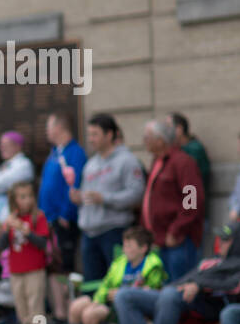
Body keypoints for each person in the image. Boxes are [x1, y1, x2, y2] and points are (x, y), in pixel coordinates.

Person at [113, 233, 240, 324]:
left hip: (202, 303)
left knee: (169, 295)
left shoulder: (237, 263)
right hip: (175, 294)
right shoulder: (209, 261)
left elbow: (232, 285)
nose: (220, 243)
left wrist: (198, 285)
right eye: (220, 239)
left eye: (226, 241)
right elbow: (184, 279)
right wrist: (159, 289)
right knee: (124, 295)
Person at [68, 226, 165, 324]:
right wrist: (98, 300)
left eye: (129, 246)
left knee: (89, 314)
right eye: (124, 245)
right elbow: (106, 284)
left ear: (143, 248)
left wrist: (120, 292)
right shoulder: (120, 263)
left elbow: (151, 290)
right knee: (76, 306)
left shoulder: (153, 265)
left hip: (128, 308)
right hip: (108, 301)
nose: (125, 249)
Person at [72, 113, 144, 283]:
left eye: (95, 134)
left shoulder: (128, 161)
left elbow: (136, 194)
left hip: (114, 231)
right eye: (89, 134)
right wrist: (78, 198)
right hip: (89, 234)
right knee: (92, 285)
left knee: (116, 283)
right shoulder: (90, 164)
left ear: (109, 134)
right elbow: (88, 196)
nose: (90, 139)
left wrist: (105, 198)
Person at [140, 118, 204, 283]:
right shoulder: (157, 162)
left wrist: (176, 229)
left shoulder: (183, 162)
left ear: (160, 140)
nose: (143, 141)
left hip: (178, 240)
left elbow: (191, 200)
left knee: (179, 288)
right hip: (160, 240)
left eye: (147, 137)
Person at [40, 112, 87, 324]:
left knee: (67, 266)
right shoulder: (54, 153)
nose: (47, 132)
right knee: (54, 266)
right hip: (49, 219)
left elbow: (74, 184)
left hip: (63, 220)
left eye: (50, 127)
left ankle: (72, 310)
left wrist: (66, 213)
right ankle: (59, 311)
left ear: (60, 127)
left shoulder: (74, 152)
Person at [0, 182, 49, 324]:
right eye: (22, 197)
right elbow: (2, 245)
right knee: (23, 313)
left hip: (34, 270)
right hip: (16, 271)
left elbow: (43, 244)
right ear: (14, 201)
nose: (27, 200)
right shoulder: (11, 219)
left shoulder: (38, 218)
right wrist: (7, 228)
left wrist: (25, 230)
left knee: (37, 312)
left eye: (29, 195)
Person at [168, 112, 210, 202]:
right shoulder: (177, 150)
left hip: (191, 205)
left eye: (168, 127)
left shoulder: (193, 151)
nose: (165, 132)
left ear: (179, 129)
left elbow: (191, 185)